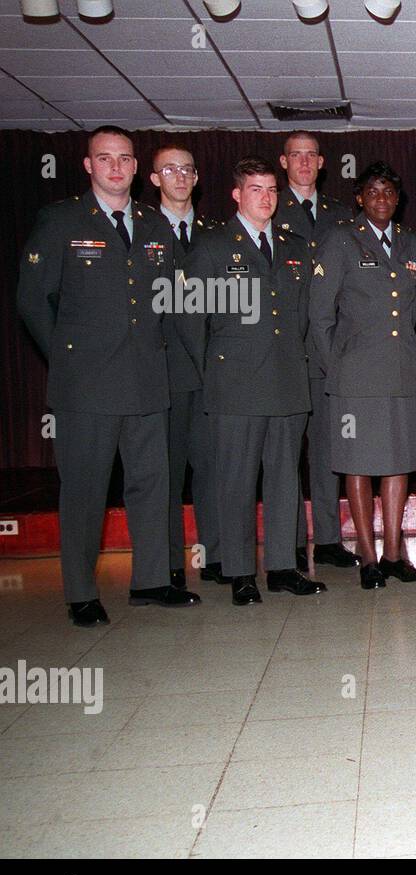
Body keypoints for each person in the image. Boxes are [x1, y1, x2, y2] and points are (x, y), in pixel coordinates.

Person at [18, 125, 200, 625]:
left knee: (150, 483)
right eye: (105, 158)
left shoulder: (153, 224)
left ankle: (150, 581)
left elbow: (171, 298)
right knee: (85, 489)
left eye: (124, 159)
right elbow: (32, 300)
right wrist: (66, 357)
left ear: (137, 167)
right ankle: (80, 592)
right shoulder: (61, 221)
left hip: (147, 377)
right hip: (87, 384)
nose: (116, 167)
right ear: (88, 166)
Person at [188, 156, 325, 604]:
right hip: (237, 384)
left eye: (271, 190)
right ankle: (240, 572)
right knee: (237, 480)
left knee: (286, 478)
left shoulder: (293, 247)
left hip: (287, 379)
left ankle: (284, 566)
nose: (265, 198)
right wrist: (216, 372)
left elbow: (304, 313)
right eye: (255, 189)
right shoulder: (211, 247)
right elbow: (191, 323)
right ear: (236, 194)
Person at [308, 162, 416, 589]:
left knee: (399, 463)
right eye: (373, 192)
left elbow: (411, 312)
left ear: (398, 199)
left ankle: (395, 552)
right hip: (354, 377)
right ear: (359, 197)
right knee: (357, 465)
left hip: (401, 372)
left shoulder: (411, 243)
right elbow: (319, 316)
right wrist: (336, 368)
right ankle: (367, 555)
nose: (382, 199)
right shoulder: (340, 240)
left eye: (389, 192)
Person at [276, 130, 359, 573]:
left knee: (328, 452)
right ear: (284, 162)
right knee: (286, 454)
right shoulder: (271, 207)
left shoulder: (341, 215)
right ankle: (288, 543)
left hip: (329, 351)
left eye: (311, 155)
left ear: (322, 163)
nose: (304, 162)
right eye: (296, 155)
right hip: (287, 353)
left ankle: (327, 540)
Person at [149, 142, 223, 588]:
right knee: (166, 476)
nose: (180, 177)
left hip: (213, 372)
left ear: (197, 178)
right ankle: (169, 565)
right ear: (154, 178)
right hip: (162, 374)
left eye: (188, 170)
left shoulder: (216, 234)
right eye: (169, 170)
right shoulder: (140, 231)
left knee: (214, 471)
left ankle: (214, 557)